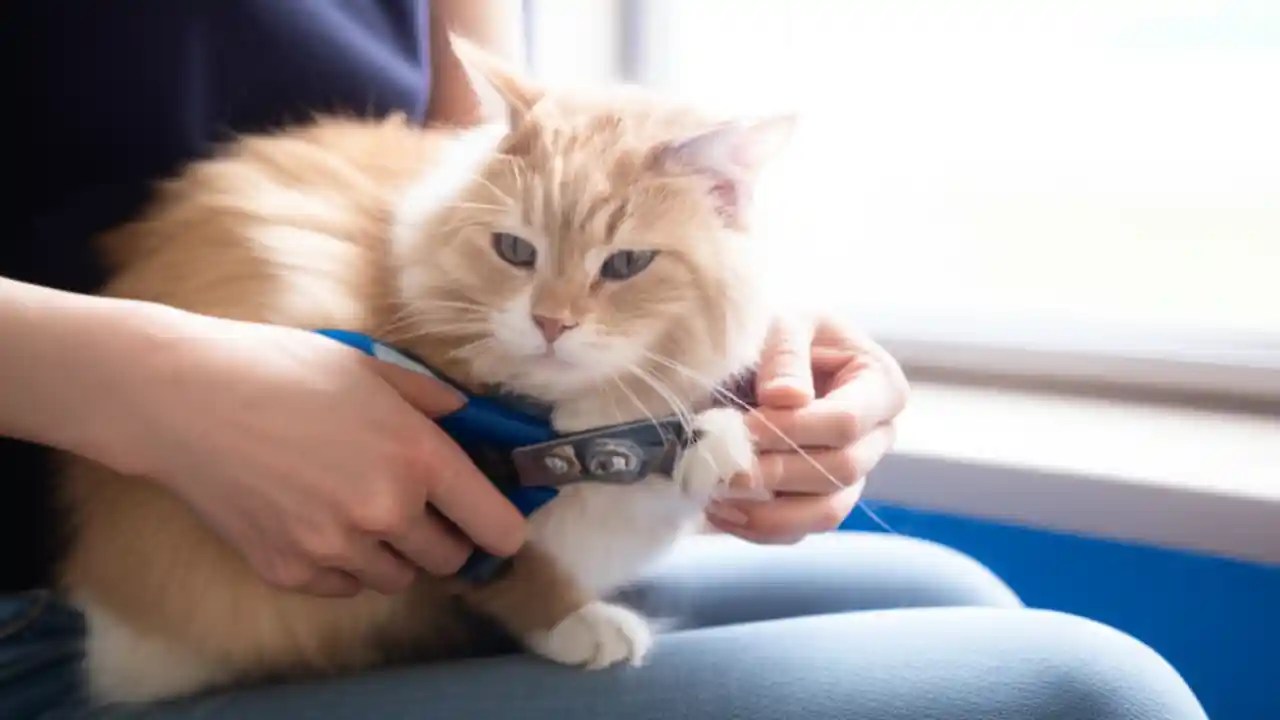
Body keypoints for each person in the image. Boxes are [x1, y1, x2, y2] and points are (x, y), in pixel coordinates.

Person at [2, 2, 1209, 718]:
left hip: (416, 536)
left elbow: (482, 170)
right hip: (78, 606)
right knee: (1079, 691)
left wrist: (721, 353)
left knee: (956, 596)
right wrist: (146, 384)